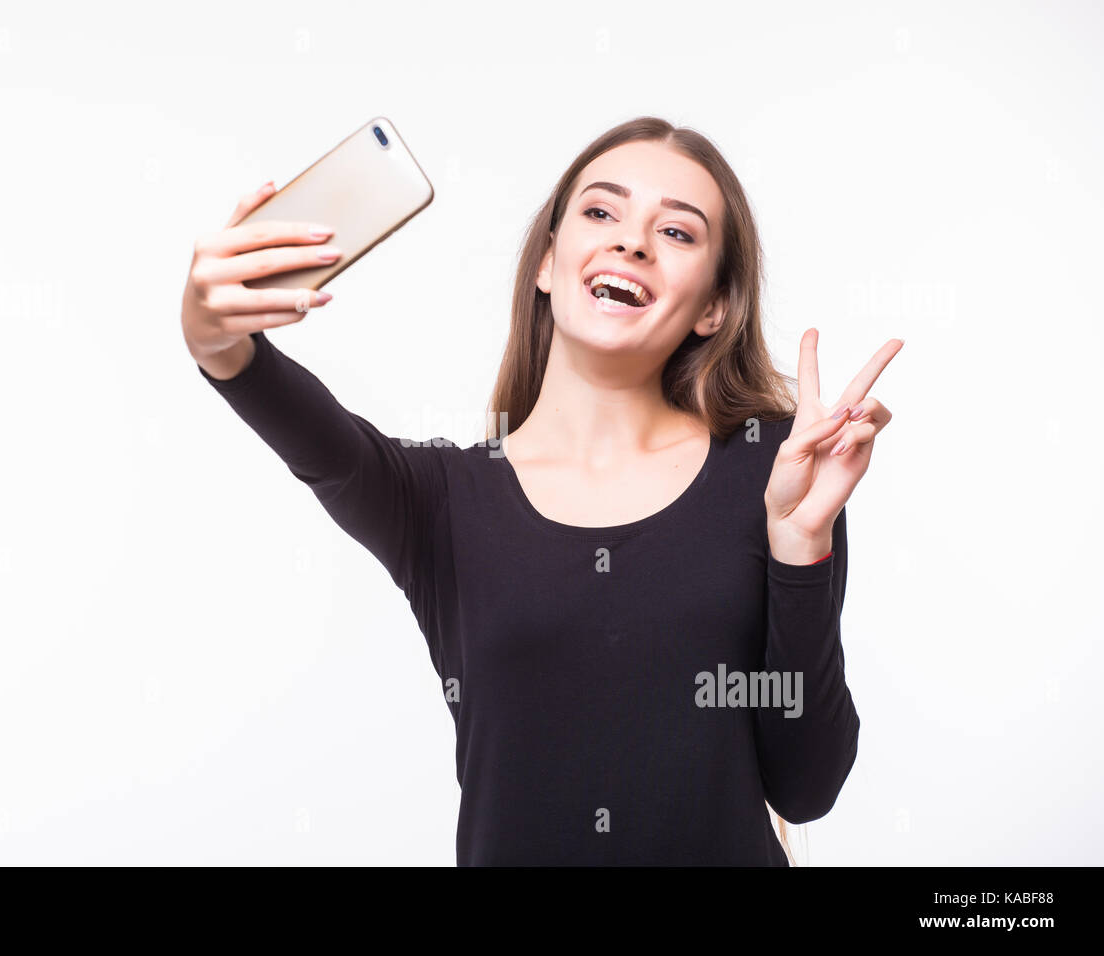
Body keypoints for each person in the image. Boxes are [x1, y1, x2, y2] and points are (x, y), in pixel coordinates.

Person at [181, 116, 901, 866]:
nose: (630, 241)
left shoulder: (772, 472)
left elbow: (807, 788)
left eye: (679, 233)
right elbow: (298, 421)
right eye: (600, 212)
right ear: (548, 263)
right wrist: (212, 332)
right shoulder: (440, 503)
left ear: (714, 307)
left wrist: (799, 545)